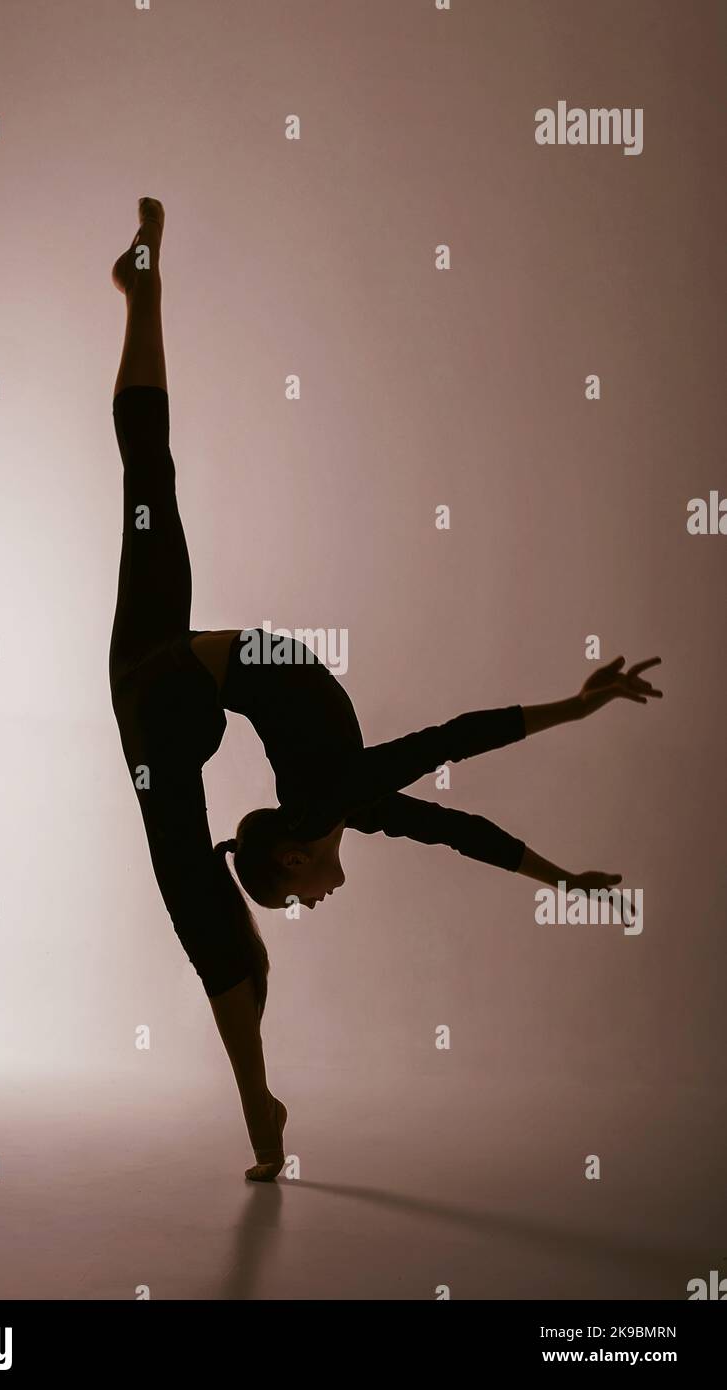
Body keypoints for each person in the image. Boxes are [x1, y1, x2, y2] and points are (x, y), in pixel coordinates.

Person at [108, 197, 663, 1182]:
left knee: (193, 895)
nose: (320, 899)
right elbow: (456, 830)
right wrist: (559, 877)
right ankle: (141, 290)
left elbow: (452, 736)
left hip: (167, 694)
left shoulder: (325, 800)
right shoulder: (346, 807)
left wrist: (572, 708)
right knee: (149, 475)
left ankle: (256, 1106)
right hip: (166, 663)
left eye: (296, 897)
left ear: (285, 855)